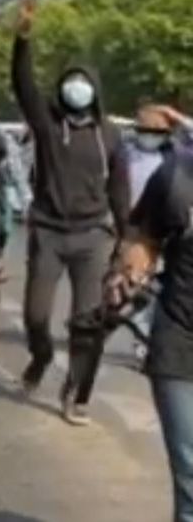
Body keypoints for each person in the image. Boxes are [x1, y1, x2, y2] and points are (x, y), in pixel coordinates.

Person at [10, 0, 131, 424]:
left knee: (87, 322)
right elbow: (24, 87)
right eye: (70, 80)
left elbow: (119, 191)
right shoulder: (47, 125)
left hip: (92, 237)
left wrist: (126, 243)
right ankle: (40, 358)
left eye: (83, 81)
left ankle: (75, 391)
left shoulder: (111, 136)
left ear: (94, 90)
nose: (75, 87)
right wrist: (22, 39)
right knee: (37, 315)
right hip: (47, 231)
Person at [115, 150, 193, 522]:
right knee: (191, 475)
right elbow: (145, 237)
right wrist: (131, 270)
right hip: (179, 339)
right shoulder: (177, 175)